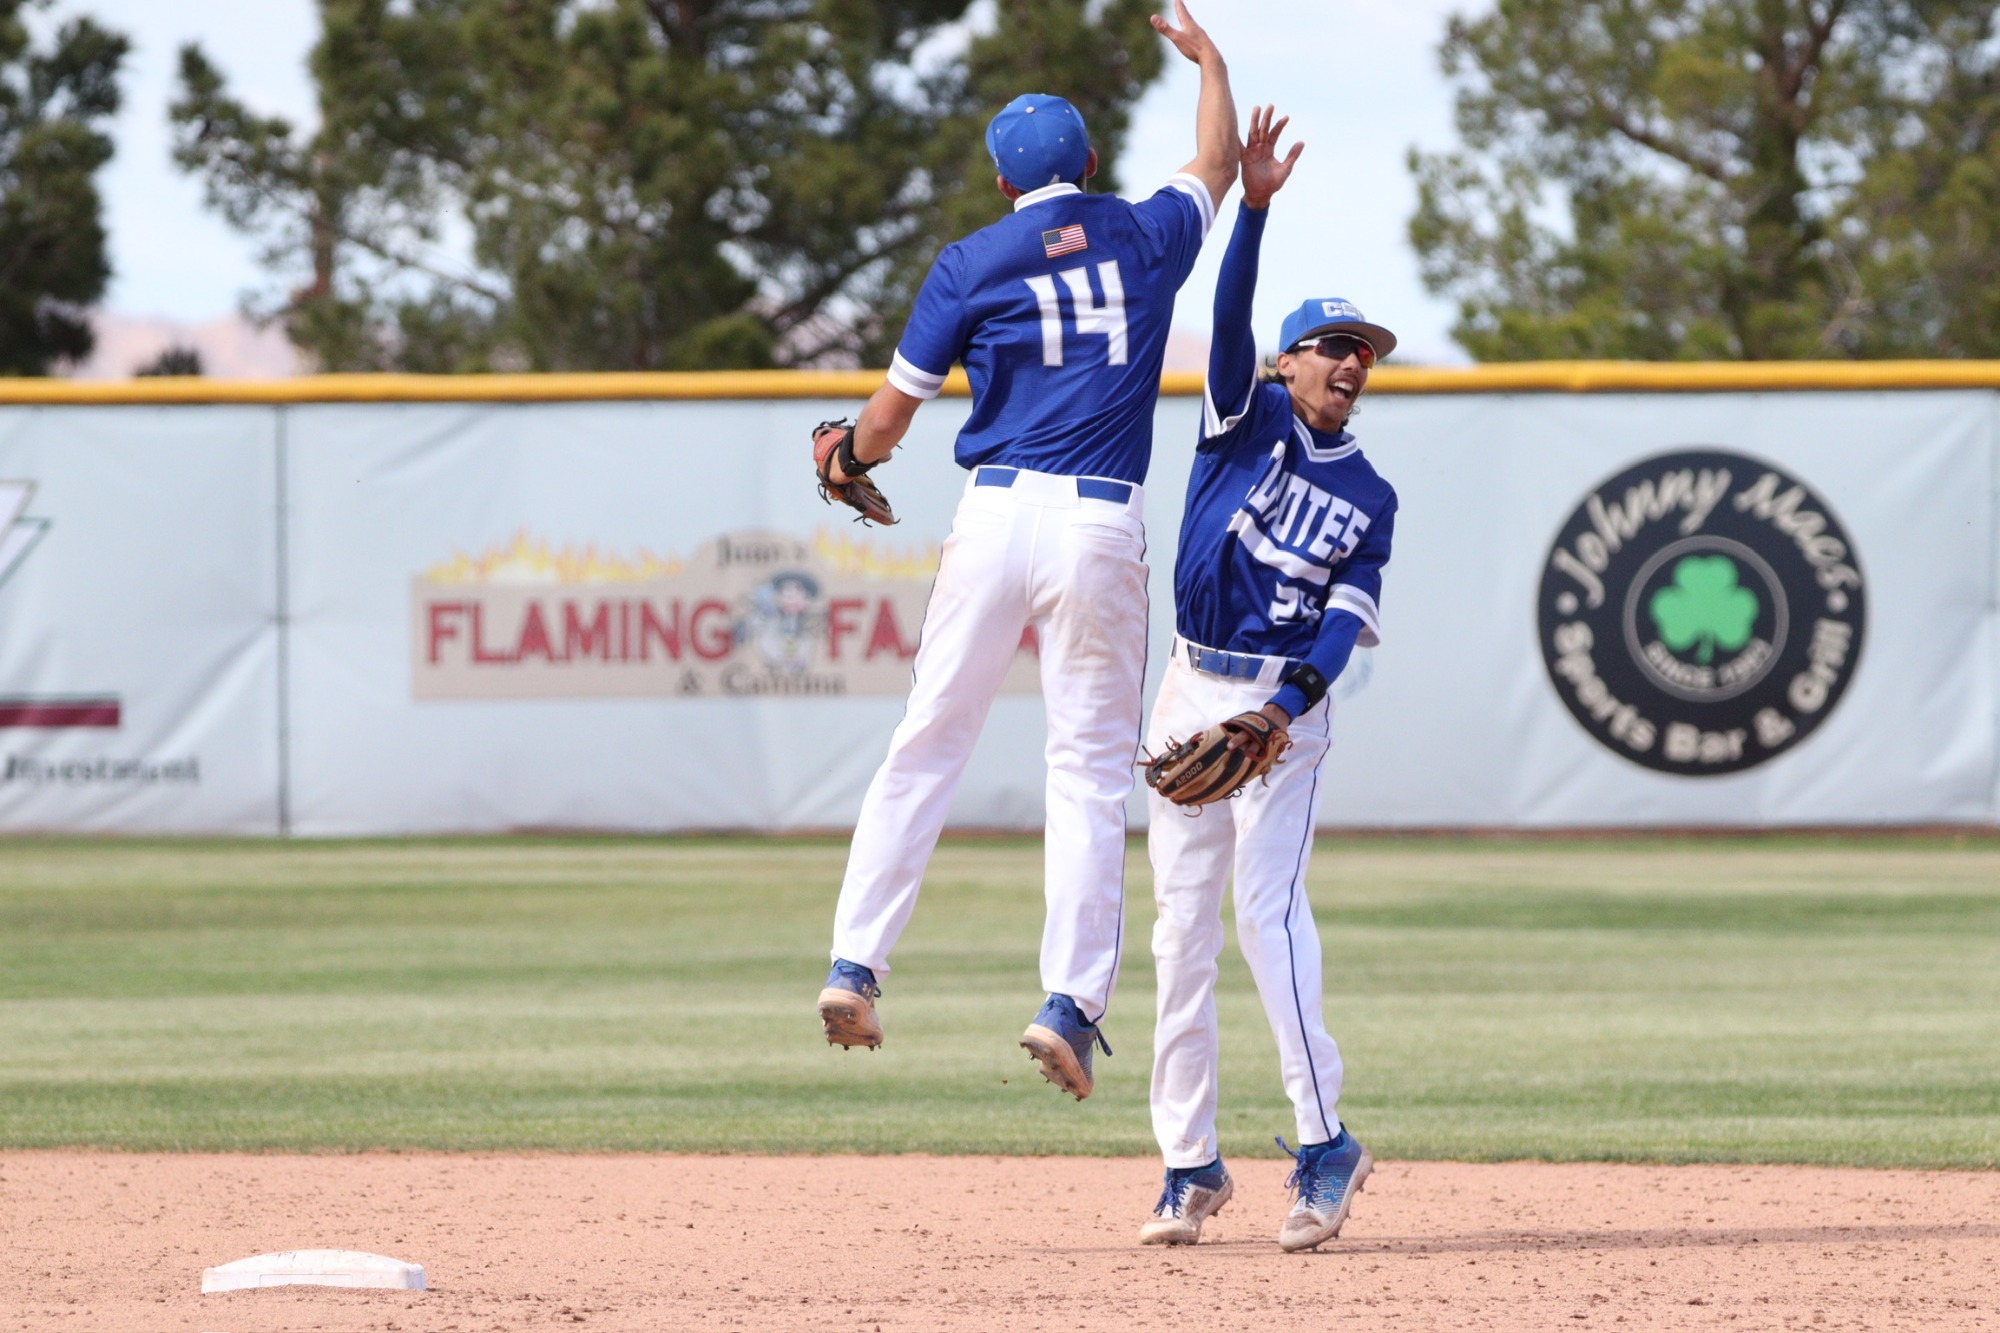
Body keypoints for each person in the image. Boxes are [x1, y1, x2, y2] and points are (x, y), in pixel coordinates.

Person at [813, 2, 1240, 1101]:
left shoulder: (970, 261)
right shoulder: (1144, 231)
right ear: (1089, 162)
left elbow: (888, 423)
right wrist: (1207, 59)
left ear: (1004, 183)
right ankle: (1066, 1003)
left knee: (926, 741)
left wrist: (838, 453)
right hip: (1098, 522)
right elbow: (1216, 159)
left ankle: (854, 962)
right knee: (1089, 774)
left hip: (995, 514)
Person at [1136, 105, 1398, 1250]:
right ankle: (1187, 1165)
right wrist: (1251, 205)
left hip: (1283, 709)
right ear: (1287, 361)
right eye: (1328, 344)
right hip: (1188, 684)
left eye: (1362, 350)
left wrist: (1282, 710)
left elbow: (1342, 632)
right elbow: (1227, 308)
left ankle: (1322, 1141)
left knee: (1261, 914)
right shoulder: (1239, 417)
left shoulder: (1371, 498)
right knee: (1177, 930)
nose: (1347, 360)